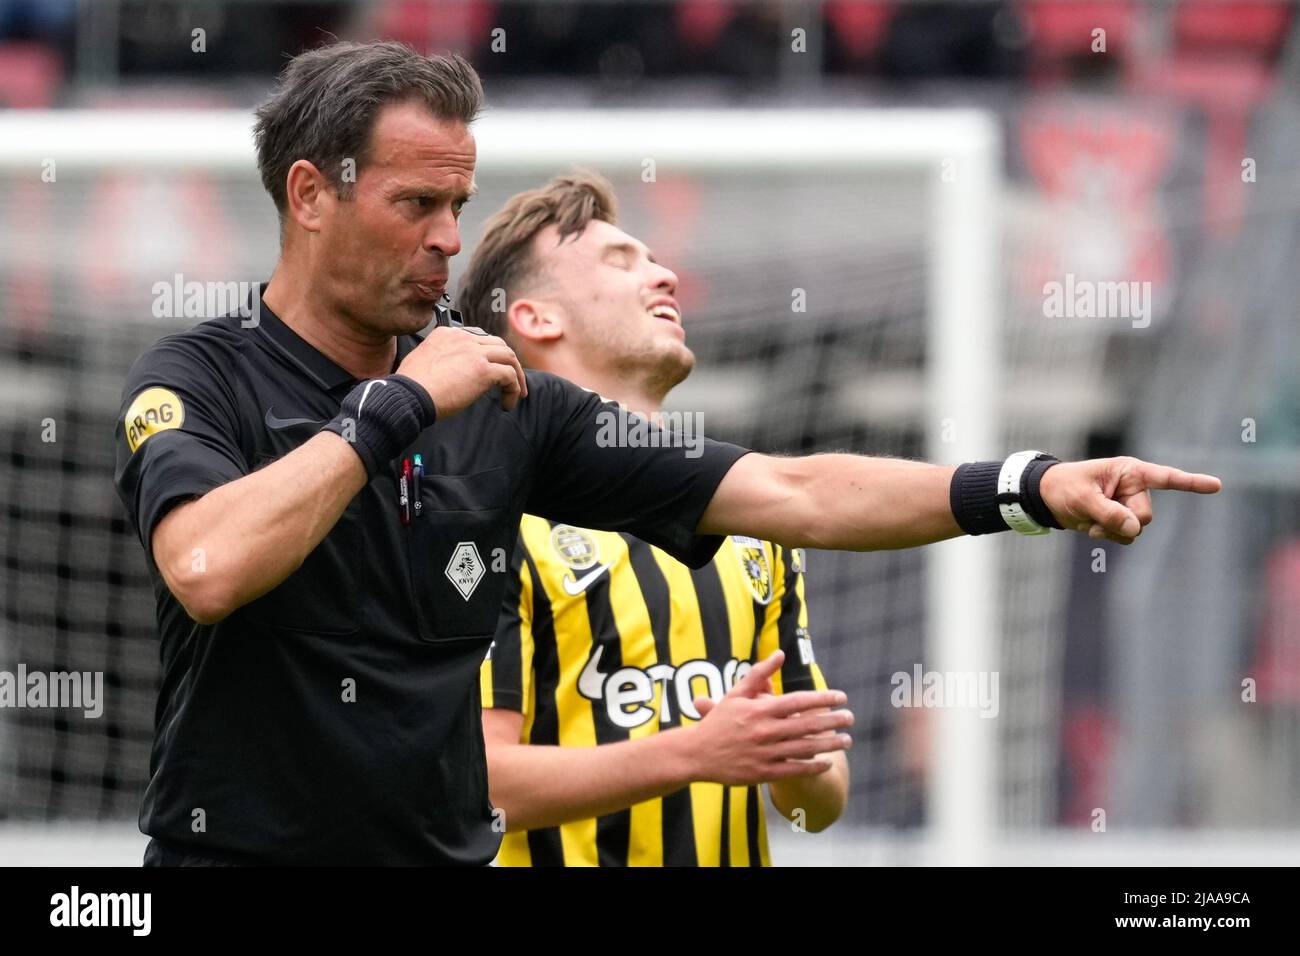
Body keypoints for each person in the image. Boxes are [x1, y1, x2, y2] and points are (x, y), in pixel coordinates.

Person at [114, 40, 1221, 866]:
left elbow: (796, 488)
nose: (448, 237)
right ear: (310, 194)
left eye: (457, 203)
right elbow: (206, 568)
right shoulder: (198, 378)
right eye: (416, 203)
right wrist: (395, 403)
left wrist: (1029, 487)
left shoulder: (506, 409)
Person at [465, 172, 849, 866]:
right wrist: (693, 753)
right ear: (536, 318)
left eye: (653, 258)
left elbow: (815, 807)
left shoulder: (752, 530)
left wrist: (792, 760)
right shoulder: (492, 521)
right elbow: (481, 786)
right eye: (621, 261)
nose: (664, 275)